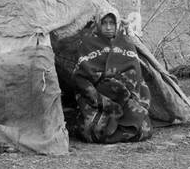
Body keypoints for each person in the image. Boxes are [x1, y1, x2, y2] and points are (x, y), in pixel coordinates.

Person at [64, 12, 152, 144]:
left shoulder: (126, 43)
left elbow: (136, 72)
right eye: (104, 23)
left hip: (125, 96)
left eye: (112, 23)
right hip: (98, 98)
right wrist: (101, 96)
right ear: (98, 25)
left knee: (141, 127)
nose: (108, 27)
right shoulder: (88, 44)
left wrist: (122, 87)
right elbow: (81, 77)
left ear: (117, 25)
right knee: (94, 130)